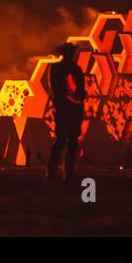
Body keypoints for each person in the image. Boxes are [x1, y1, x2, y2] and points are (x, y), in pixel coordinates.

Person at [46, 43, 86, 182]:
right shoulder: (57, 68)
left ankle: (68, 172)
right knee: (61, 139)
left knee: (73, 140)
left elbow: (82, 89)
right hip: (63, 107)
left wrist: (78, 99)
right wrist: (71, 98)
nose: (72, 56)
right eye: (70, 53)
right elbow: (56, 89)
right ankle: (52, 171)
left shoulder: (76, 69)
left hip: (74, 108)